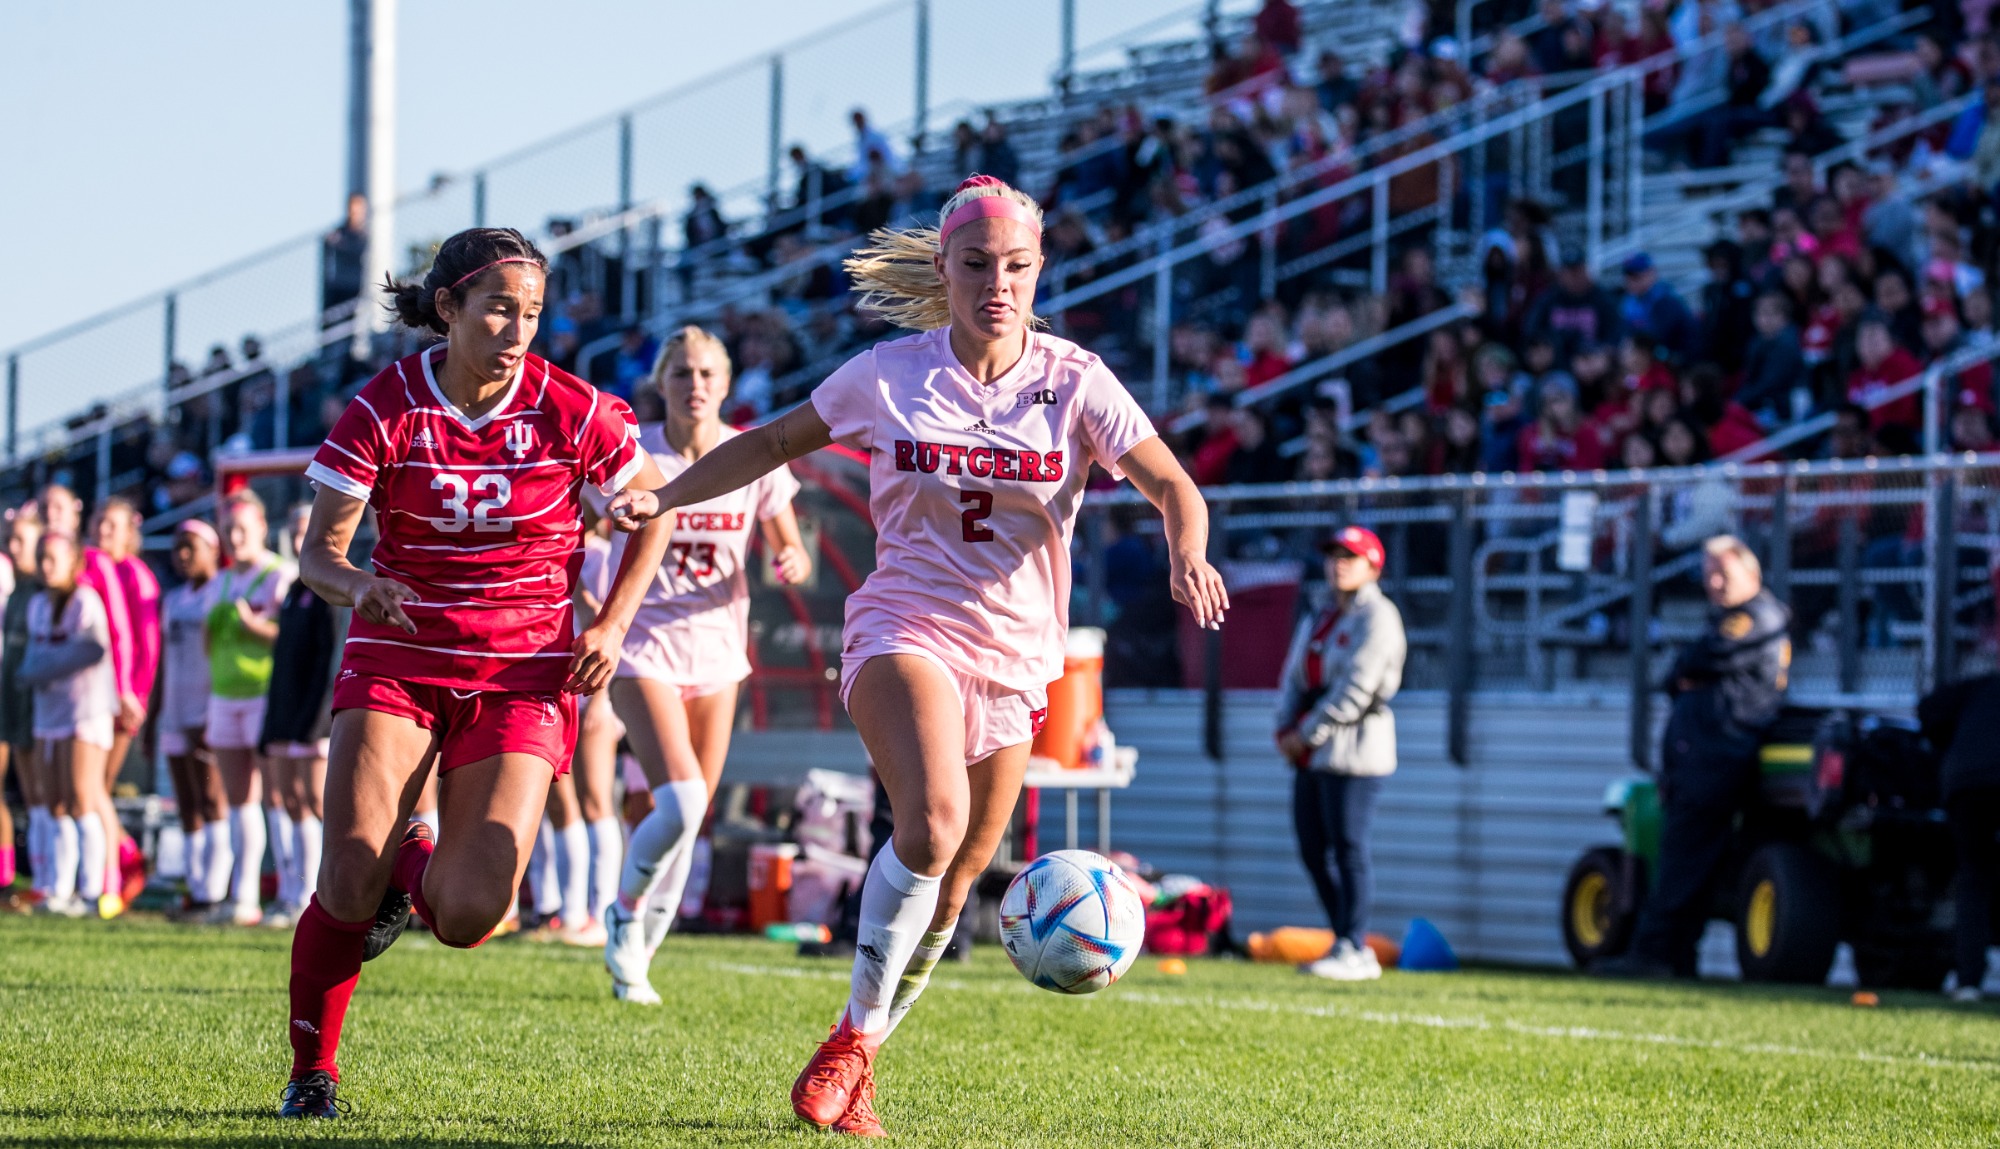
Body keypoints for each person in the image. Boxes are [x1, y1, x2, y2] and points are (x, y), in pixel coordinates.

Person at [606, 174, 1228, 1137]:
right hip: (904, 628)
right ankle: (850, 1042)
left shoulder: (1075, 379)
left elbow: (1173, 484)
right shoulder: (889, 372)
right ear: (943, 268)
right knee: (932, 826)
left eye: (1015, 266)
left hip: (1021, 657)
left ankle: (864, 1061)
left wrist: (1187, 543)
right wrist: (670, 493)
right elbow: (770, 440)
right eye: (976, 265)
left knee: (961, 877)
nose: (997, 283)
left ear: (1038, 270)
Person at [278, 227, 671, 1118]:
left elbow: (653, 512)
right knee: (344, 875)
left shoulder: (576, 407)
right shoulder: (384, 406)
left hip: (523, 672)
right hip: (401, 658)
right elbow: (318, 557)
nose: (518, 327)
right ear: (446, 307)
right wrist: (360, 584)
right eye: (498, 307)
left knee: (468, 914)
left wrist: (611, 620)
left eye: (531, 311)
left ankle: (409, 866)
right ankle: (312, 1074)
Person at [599, 324, 812, 1003]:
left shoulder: (750, 458)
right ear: (660, 383)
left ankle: (636, 956)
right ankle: (623, 912)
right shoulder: (636, 455)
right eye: (682, 373)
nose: (695, 385)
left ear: (726, 385)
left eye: (707, 374)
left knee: (691, 816)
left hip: (719, 649)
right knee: (680, 798)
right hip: (643, 643)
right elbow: (589, 530)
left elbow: (791, 547)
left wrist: (791, 561)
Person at [1605, 535, 1790, 978]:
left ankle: (1654, 956)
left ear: (1751, 572)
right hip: (1706, 758)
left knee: (1684, 858)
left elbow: (1702, 657)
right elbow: (1681, 672)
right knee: (1686, 858)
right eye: (1708, 572)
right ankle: (1675, 957)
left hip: (1716, 759)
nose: (1713, 582)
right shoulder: (1738, 617)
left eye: (1722, 572)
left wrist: (1691, 671)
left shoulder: (1757, 615)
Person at [1273, 526, 1406, 982]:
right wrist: (1283, 727)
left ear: (1373, 565)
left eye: (1350, 556)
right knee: (1313, 849)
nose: (1339, 563)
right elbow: (1294, 676)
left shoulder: (1379, 616)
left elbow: (1357, 689)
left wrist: (1305, 734)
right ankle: (1343, 938)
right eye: (1333, 555)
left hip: (1354, 752)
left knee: (1349, 848)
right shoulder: (1321, 613)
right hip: (1311, 751)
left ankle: (1355, 944)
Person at [203, 490, 295, 927]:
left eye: (243, 528)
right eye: (228, 530)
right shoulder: (219, 581)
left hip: (265, 695)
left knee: (278, 797)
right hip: (225, 694)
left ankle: (293, 891)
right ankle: (243, 895)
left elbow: (290, 639)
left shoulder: (281, 575)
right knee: (239, 801)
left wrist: (253, 624)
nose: (235, 537)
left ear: (261, 528)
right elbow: (208, 644)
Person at [20, 532, 118, 918]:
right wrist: (31, 672)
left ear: (74, 563)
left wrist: (42, 667)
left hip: (86, 711)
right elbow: (32, 656)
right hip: (50, 712)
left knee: (81, 798)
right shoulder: (38, 605)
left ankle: (92, 890)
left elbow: (93, 649)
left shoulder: (85, 601)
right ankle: (59, 889)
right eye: (42, 558)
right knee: (55, 799)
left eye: (54, 559)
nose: (46, 566)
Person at [259, 504, 341, 928]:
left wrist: (319, 718)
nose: (298, 539)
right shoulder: (294, 587)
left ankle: (322, 895)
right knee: (291, 802)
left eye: (305, 530)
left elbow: (332, 660)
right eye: (293, 532)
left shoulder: (333, 587)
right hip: (288, 712)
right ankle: (293, 893)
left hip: (315, 717)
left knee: (314, 802)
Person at [160, 520, 231, 915]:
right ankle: (196, 885)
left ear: (211, 549)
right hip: (174, 708)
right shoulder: (173, 599)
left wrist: (209, 710)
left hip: (208, 708)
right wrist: (156, 713)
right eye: (177, 548)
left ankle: (215, 892)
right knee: (185, 802)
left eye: (191, 547)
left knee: (211, 797)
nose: (182, 555)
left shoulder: (222, 590)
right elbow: (164, 661)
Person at [1916, 674, 2000, 1001]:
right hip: (1972, 780)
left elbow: (1929, 710)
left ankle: (1968, 983)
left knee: (1974, 877)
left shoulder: (1982, 686)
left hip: (1965, 783)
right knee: (1976, 875)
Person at [2, 507, 45, 909]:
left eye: (20, 540)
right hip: (11, 696)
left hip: (41, 703)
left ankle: (47, 878)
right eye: (8, 539)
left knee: (43, 794)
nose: (11, 547)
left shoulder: (41, 591)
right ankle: (11, 876)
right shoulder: (15, 590)